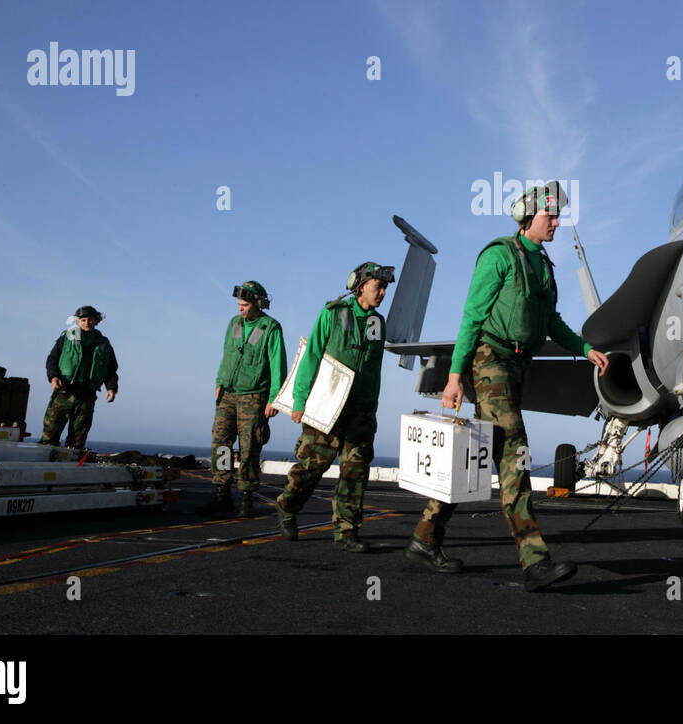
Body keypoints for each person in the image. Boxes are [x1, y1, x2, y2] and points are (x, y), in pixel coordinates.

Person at [406, 182, 610, 591]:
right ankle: (535, 561)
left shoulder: (544, 266)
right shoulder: (499, 256)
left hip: (517, 368)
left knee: (475, 459)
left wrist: (584, 348)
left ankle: (425, 537)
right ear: (527, 218)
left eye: (556, 216)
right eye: (549, 216)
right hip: (490, 362)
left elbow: (551, 322)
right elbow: (471, 317)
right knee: (516, 452)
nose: (555, 222)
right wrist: (454, 378)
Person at [276, 262, 393, 552]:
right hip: (327, 406)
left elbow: (374, 367)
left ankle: (346, 532)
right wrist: (300, 401)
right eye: (378, 287)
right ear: (361, 286)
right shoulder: (333, 313)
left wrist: (372, 405)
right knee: (314, 466)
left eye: (385, 288)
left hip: (361, 410)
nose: (382, 292)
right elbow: (312, 356)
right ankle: (288, 505)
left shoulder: (379, 323)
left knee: (355, 471)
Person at [199, 281, 286, 518]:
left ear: (258, 303)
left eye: (245, 304)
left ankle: (246, 499)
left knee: (249, 449)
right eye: (239, 304)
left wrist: (274, 399)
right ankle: (222, 494)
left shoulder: (270, 328)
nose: (241, 309)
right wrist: (218, 381)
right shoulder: (234, 324)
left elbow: (278, 366)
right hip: (227, 393)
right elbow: (227, 354)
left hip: (254, 396)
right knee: (221, 443)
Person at [39, 305, 119, 449]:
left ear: (96, 321)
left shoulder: (103, 344)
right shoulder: (67, 338)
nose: (87, 323)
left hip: (86, 395)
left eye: (90, 320)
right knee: (50, 434)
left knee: (77, 440)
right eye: (83, 320)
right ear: (78, 321)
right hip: (64, 391)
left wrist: (111, 388)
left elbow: (111, 369)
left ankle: (71, 466)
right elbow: (52, 359)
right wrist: (53, 377)